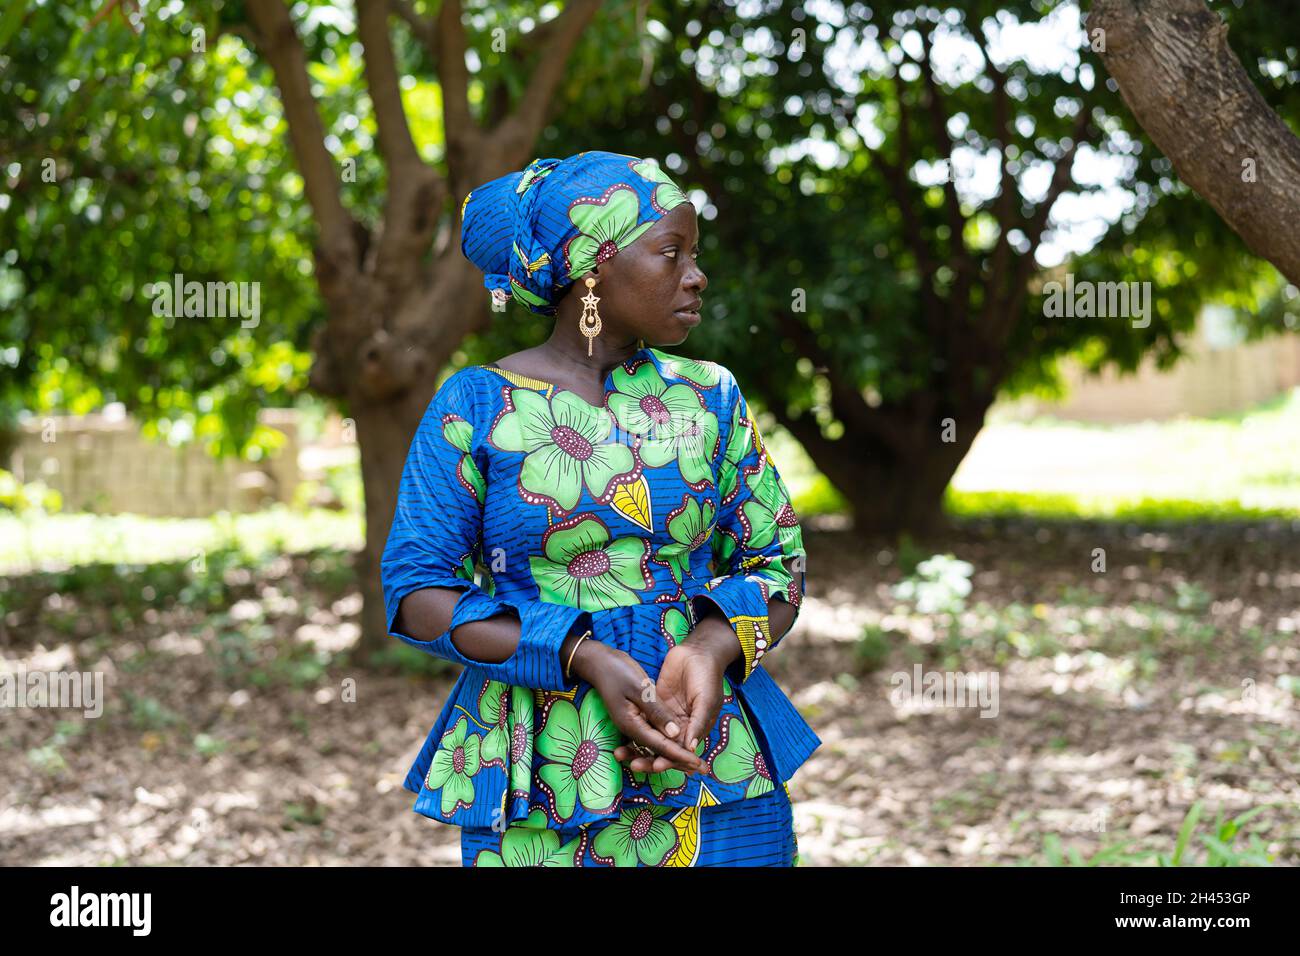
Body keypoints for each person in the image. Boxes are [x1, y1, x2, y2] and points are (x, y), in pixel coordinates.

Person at [381, 150, 818, 867]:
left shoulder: (708, 397)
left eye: (695, 254)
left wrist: (711, 649)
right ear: (593, 268)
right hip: (541, 775)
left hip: (710, 764)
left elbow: (780, 562)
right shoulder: (477, 405)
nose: (697, 274)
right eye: (670, 252)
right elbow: (417, 591)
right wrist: (581, 654)